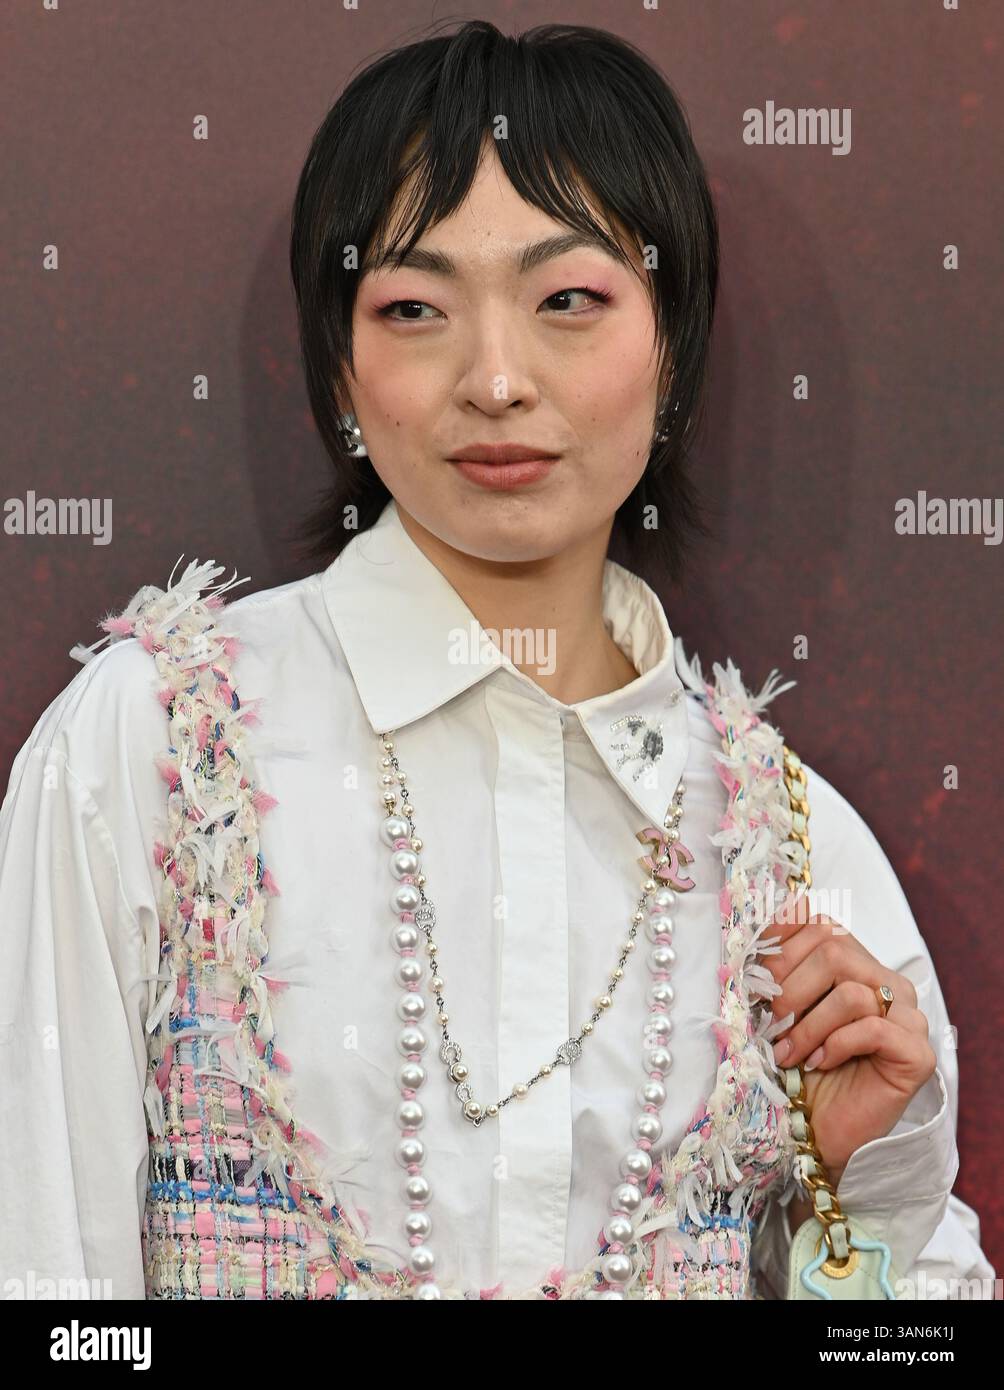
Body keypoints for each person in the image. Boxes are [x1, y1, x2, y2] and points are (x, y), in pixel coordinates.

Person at [0, 20, 993, 1301]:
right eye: (413, 307)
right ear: (340, 374)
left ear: (670, 348)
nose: (497, 377)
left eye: (568, 299)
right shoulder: (150, 752)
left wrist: (864, 1189)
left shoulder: (797, 861)